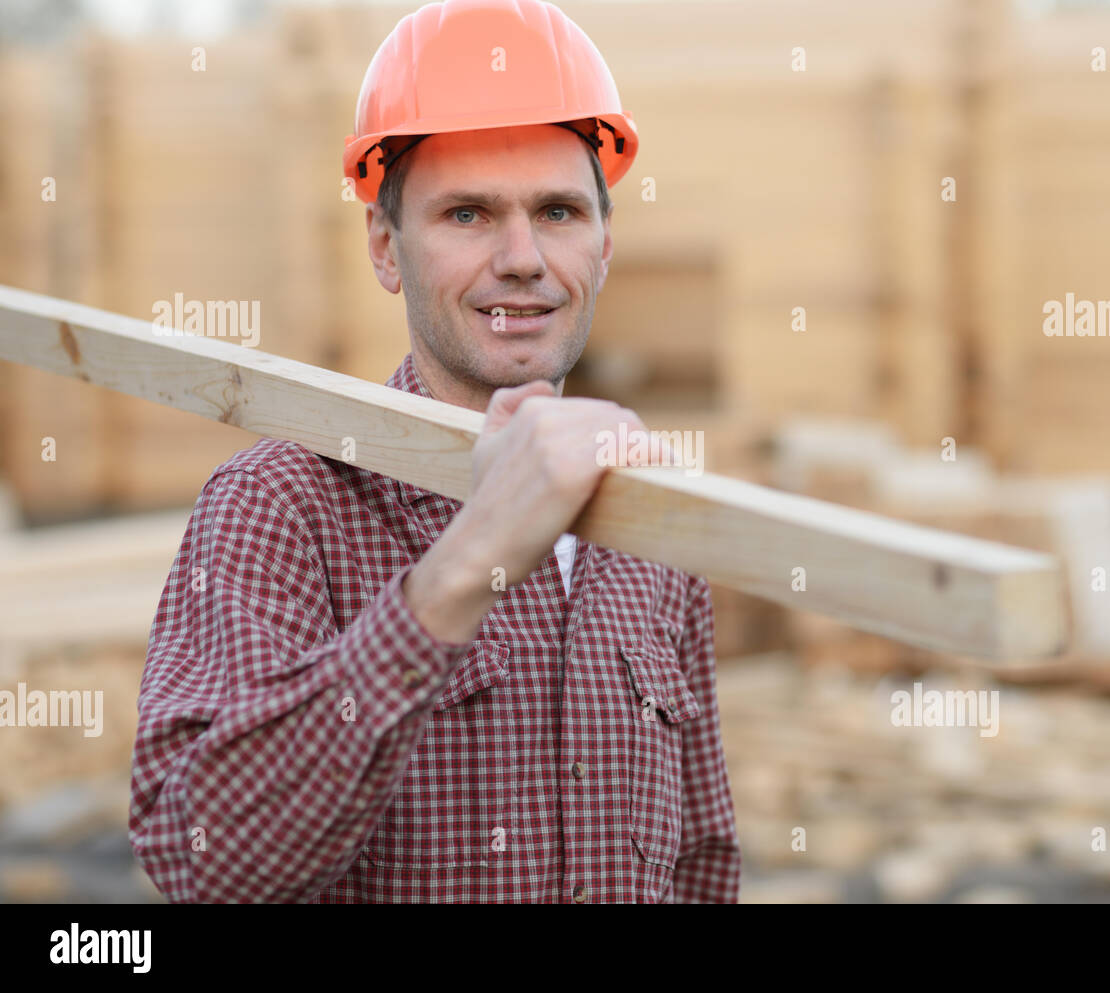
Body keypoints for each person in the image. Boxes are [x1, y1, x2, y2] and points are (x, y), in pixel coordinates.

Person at [128, 0, 741, 903]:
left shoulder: (649, 524)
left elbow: (702, 860)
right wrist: (462, 570)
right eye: (468, 215)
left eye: (559, 211)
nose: (524, 257)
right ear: (386, 246)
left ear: (605, 245)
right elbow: (204, 862)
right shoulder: (281, 505)